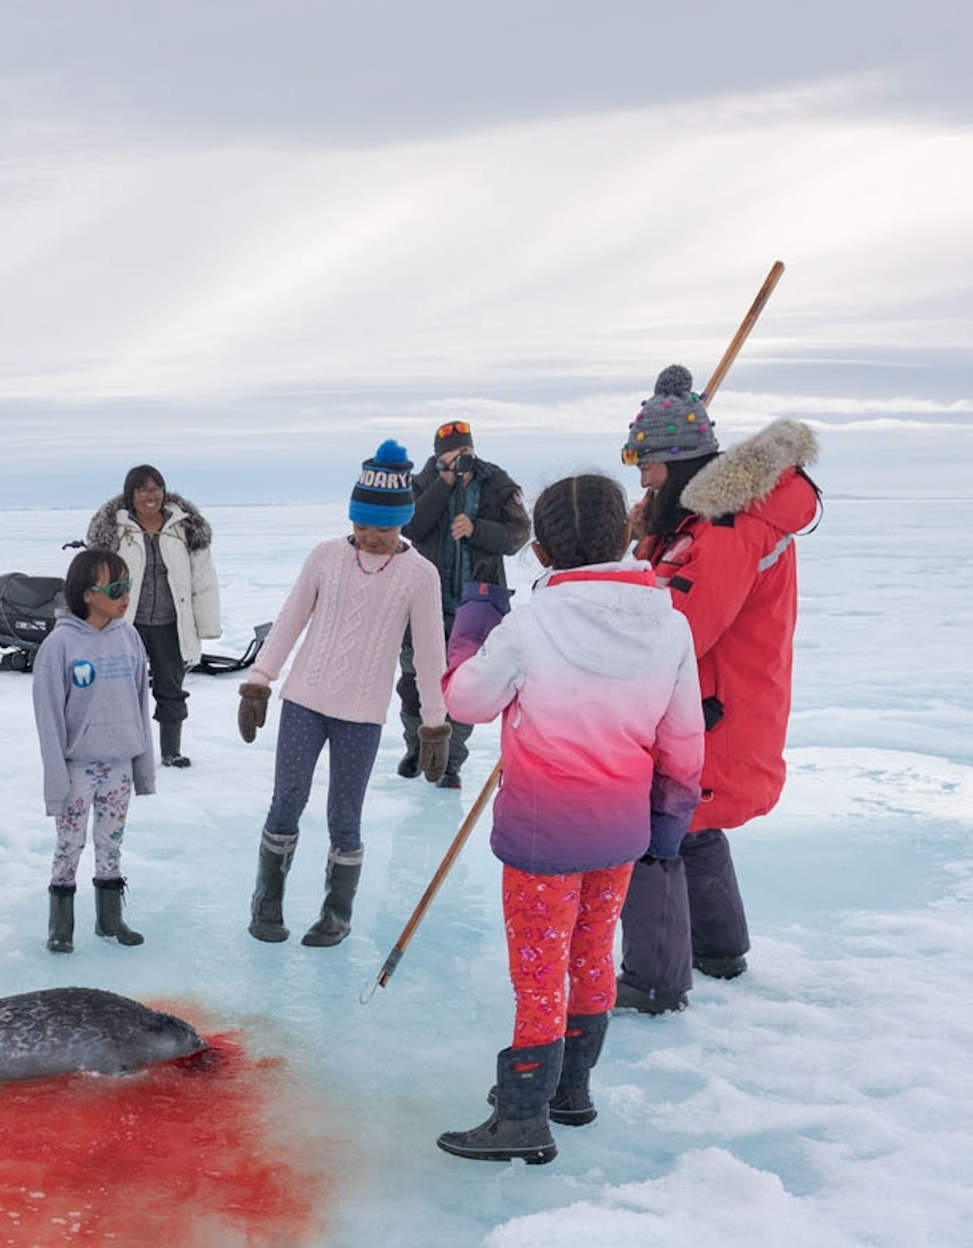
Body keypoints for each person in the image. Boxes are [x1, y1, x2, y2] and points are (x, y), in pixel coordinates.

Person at [432, 472, 704, 1163]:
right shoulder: (670, 624)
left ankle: (524, 1115)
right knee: (590, 954)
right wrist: (667, 827)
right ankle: (570, 1089)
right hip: (619, 829)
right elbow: (683, 741)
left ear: (544, 552)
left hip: (541, 832)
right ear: (623, 536)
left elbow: (466, 702)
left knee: (539, 970)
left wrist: (471, 624)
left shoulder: (531, 624)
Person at [612, 367, 822, 1013]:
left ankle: (654, 981)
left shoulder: (728, 530)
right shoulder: (707, 524)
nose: (640, 477)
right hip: (713, 703)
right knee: (694, 827)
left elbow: (679, 630)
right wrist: (651, 535)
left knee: (654, 833)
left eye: (645, 464)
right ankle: (718, 949)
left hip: (713, 709)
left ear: (675, 463)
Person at [234, 442, 447, 947]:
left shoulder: (421, 576)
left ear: (403, 524)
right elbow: (289, 621)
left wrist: (434, 722)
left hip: (362, 715)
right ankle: (267, 903)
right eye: (363, 526)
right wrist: (260, 681)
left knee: (344, 816)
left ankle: (337, 912)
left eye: (384, 529)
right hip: (304, 702)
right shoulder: (325, 557)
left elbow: (431, 654)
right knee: (286, 800)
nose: (371, 538)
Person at [31, 547, 159, 953]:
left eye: (129, 586)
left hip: (119, 763)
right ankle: (61, 926)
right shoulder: (60, 646)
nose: (125, 596)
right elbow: (48, 718)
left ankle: (109, 919)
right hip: (77, 769)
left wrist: (143, 768)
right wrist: (56, 779)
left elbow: (141, 703)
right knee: (69, 844)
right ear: (86, 593)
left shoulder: (130, 637)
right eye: (117, 588)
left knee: (111, 842)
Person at [400, 420, 530, 788]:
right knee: (414, 683)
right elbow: (412, 526)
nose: (461, 461)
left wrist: (478, 531)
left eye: (465, 453)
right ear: (439, 456)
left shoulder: (497, 483)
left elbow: (519, 534)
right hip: (424, 602)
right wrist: (442, 485)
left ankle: (450, 762)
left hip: (478, 604)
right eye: (452, 455)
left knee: (464, 685)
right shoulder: (423, 481)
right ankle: (417, 749)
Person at [83, 464, 221, 771]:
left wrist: (207, 624)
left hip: (171, 624)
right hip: (125, 624)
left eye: (156, 488)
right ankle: (121, 751)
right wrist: (94, 621)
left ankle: (171, 752)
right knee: (119, 690)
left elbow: (204, 579)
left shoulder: (185, 528)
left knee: (171, 690)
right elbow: (97, 579)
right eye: (143, 489)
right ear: (130, 495)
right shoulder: (115, 530)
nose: (151, 495)